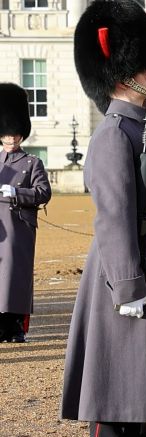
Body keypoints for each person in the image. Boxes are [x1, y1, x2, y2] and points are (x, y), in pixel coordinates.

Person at [62, 1, 146, 437]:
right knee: (116, 395)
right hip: (122, 278)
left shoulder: (141, 131)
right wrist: (128, 286)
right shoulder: (113, 133)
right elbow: (113, 217)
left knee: (141, 393)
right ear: (127, 76)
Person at [0, 83, 51, 344]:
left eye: (15, 135)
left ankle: (15, 326)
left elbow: (43, 192)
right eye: (6, 135)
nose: (11, 139)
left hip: (19, 226)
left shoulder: (32, 162)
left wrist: (17, 193)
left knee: (16, 276)